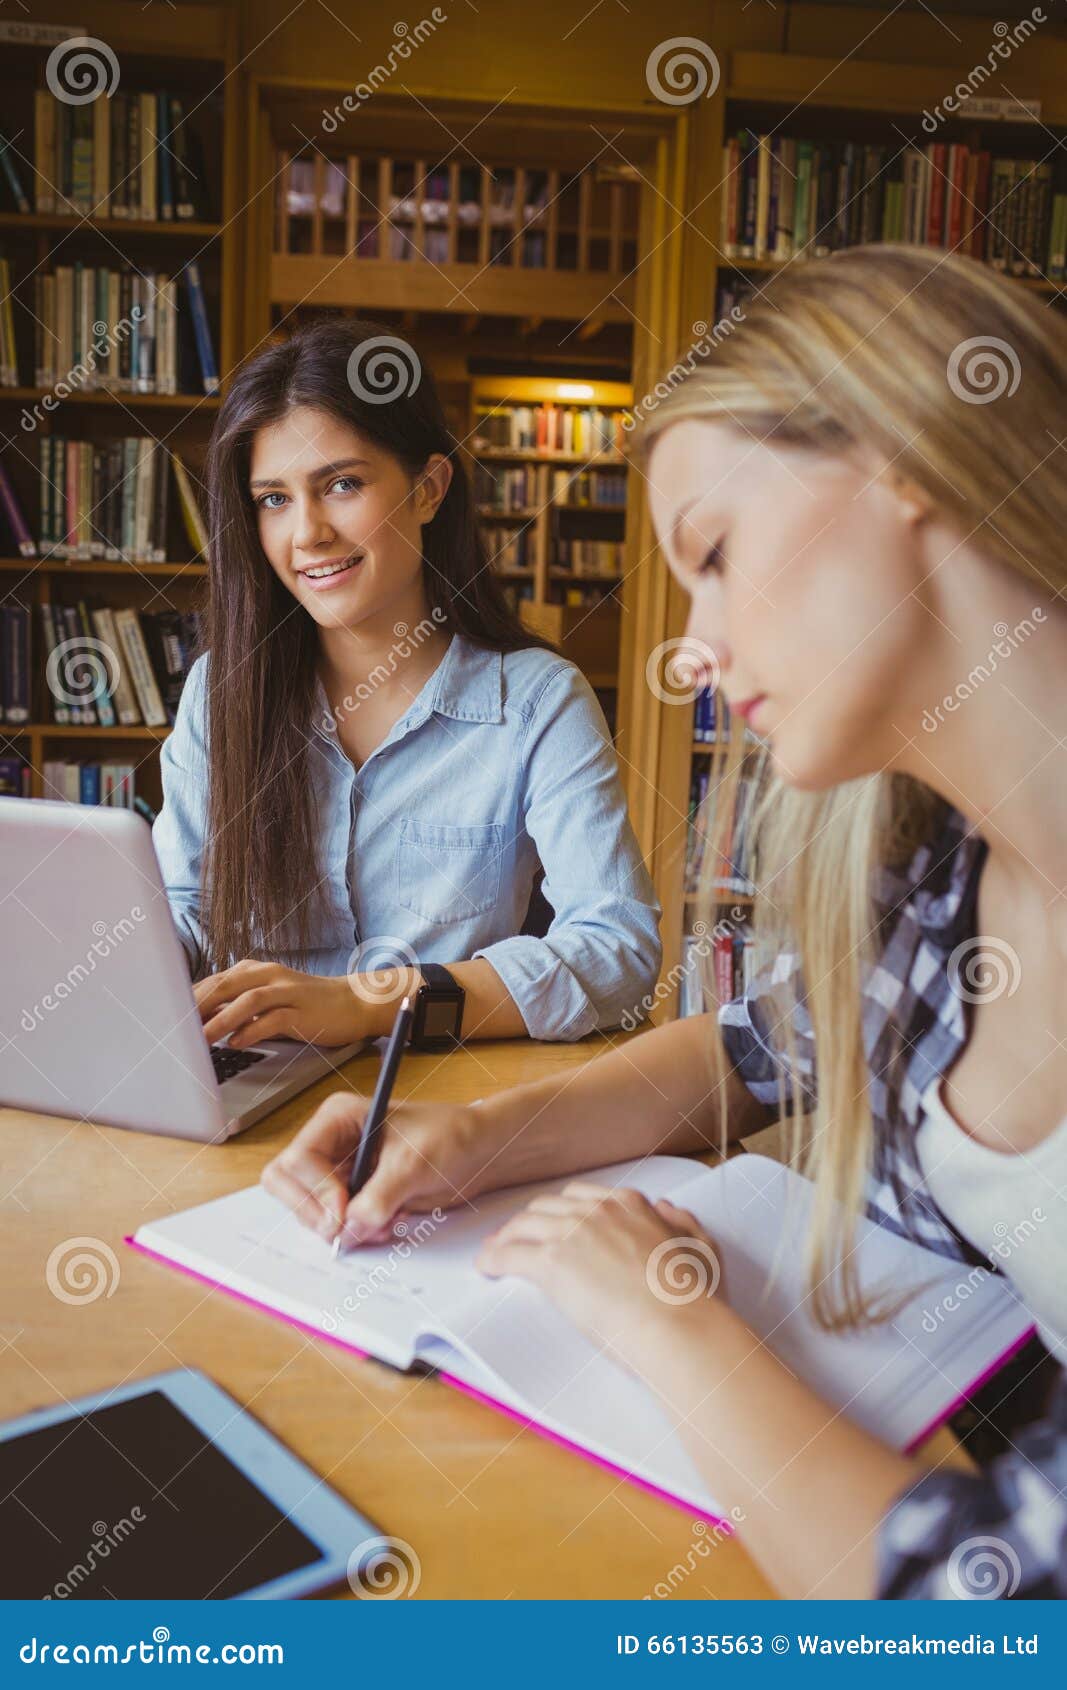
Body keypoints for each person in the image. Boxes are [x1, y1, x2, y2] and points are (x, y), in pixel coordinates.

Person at [263, 247, 1067, 1598]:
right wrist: (472, 1137)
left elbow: (990, 1612)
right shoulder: (935, 878)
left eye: (712, 553)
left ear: (908, 456)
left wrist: (672, 1322)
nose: (688, 651)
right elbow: (744, 1051)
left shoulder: (523, 698)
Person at [152, 316, 661, 1048]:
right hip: (242, 1082)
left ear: (428, 490)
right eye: (274, 499)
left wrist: (370, 1003)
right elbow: (186, 907)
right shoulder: (219, 693)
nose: (307, 534)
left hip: (436, 1098)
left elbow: (620, 949)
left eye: (342, 484)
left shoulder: (537, 701)